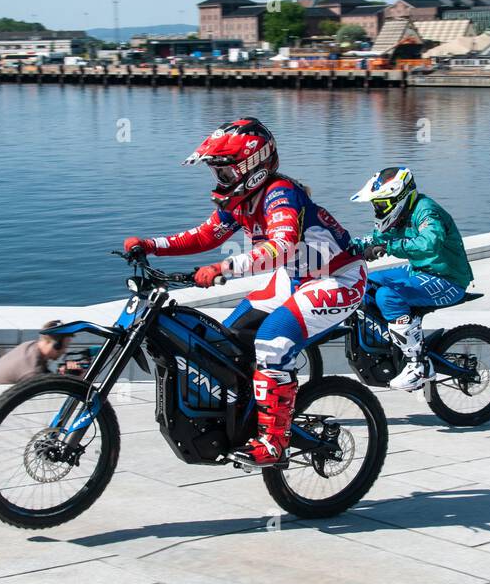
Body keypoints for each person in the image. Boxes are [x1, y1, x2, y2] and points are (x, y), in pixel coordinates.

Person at [123, 117, 365, 467]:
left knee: (271, 341)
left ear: (250, 167)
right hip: (297, 277)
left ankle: (274, 443)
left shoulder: (281, 193)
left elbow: (282, 245)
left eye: (223, 172)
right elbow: (205, 236)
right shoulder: (242, 199)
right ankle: (246, 414)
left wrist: (224, 268)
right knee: (230, 339)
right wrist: (150, 244)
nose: (218, 179)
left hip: (337, 278)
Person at [351, 167, 474, 391]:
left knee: (388, 295)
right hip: (419, 272)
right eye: (375, 205)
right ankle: (391, 346)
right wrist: (344, 248)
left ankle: (417, 364)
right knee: (364, 283)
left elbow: (429, 243)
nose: (377, 209)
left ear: (399, 198)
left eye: (381, 204)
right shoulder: (400, 215)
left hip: (447, 279)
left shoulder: (426, 211)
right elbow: (375, 239)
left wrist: (388, 247)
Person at [0, 320, 80, 385]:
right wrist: (75, 380)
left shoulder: (29, 346)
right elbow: (50, 397)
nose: (65, 351)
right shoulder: (32, 371)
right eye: (65, 346)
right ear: (56, 345)